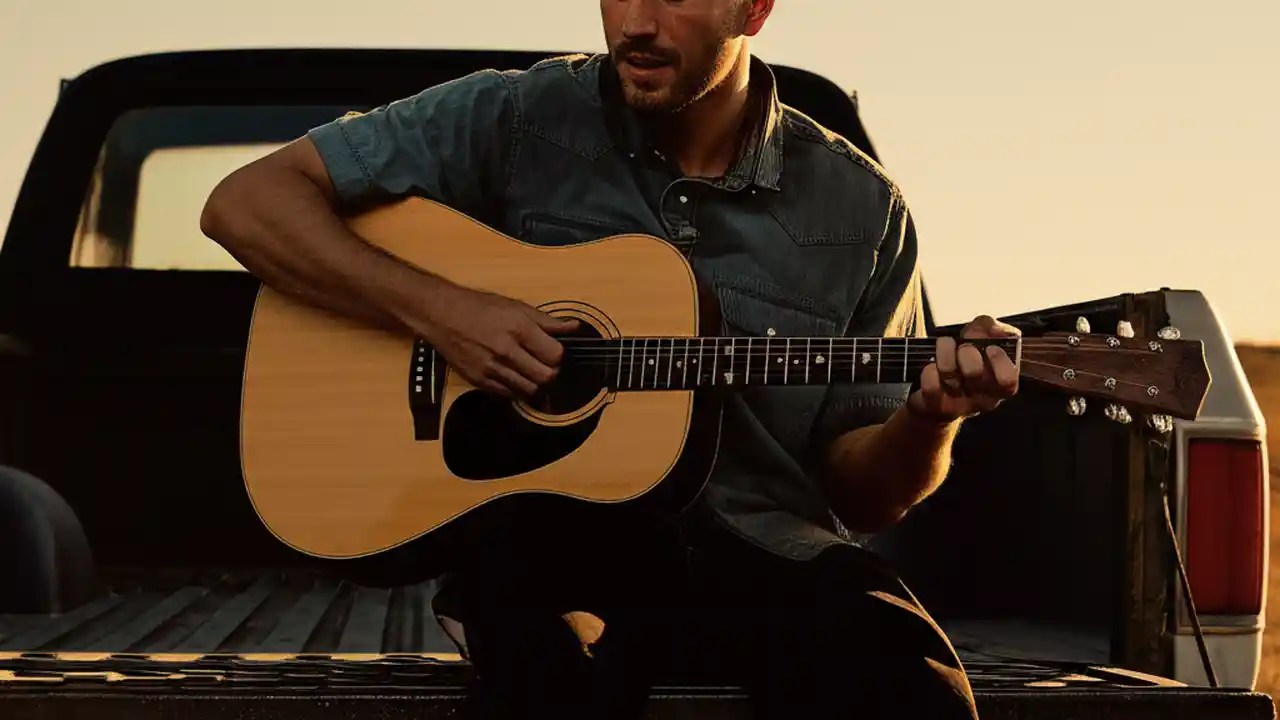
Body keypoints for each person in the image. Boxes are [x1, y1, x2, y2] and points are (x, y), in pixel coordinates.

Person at [200, 1, 1020, 717]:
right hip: (557, 542)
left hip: (763, 552)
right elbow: (246, 203)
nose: (635, 23)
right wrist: (445, 313)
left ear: (754, 9)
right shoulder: (517, 117)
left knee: (909, 681)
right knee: (549, 660)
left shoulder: (861, 210)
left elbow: (865, 496)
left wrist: (928, 416)